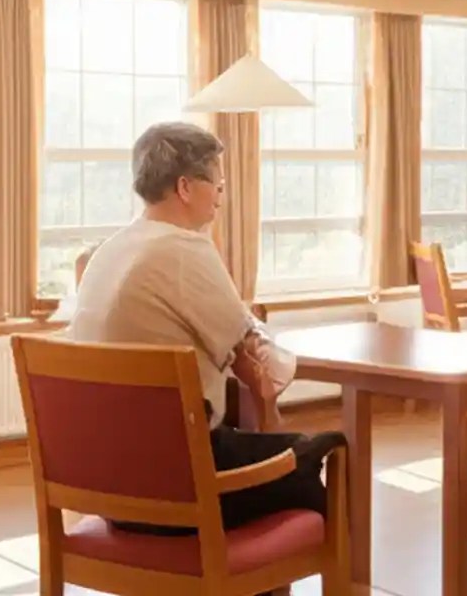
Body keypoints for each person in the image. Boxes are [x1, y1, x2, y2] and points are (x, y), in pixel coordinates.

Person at [71, 121, 345, 538]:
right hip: (176, 490)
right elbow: (263, 365)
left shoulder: (107, 251)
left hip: (108, 484)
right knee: (325, 456)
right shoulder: (184, 249)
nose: (221, 197)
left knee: (267, 445)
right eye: (217, 184)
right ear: (185, 187)